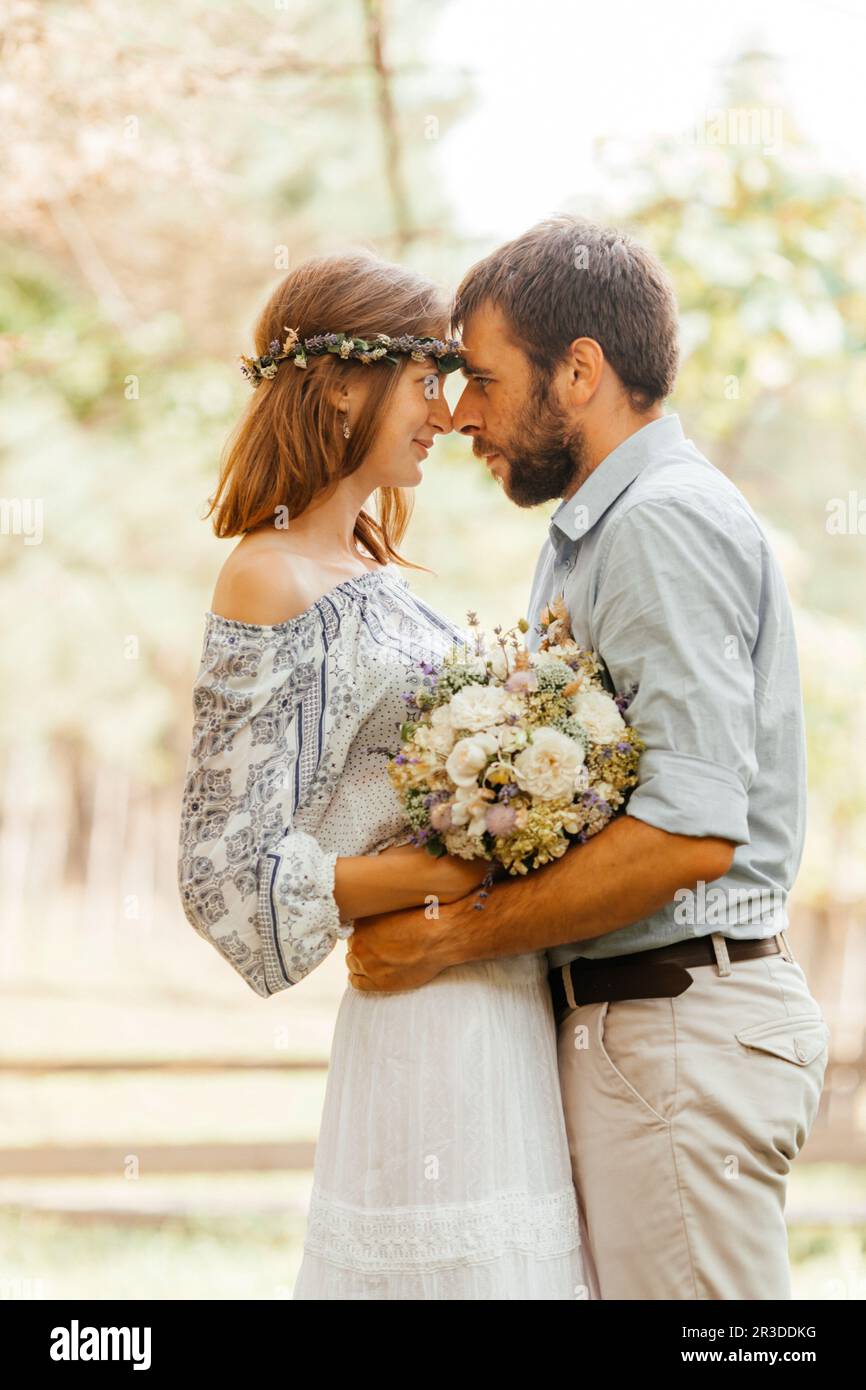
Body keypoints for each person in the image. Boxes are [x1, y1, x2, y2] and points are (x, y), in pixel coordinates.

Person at [347, 217, 831, 1300]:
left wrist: (448, 938)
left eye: (479, 376)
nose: (459, 410)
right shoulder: (594, 531)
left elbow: (689, 831)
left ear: (578, 371)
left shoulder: (658, 523)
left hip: (676, 1029)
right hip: (640, 1031)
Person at [176, 249, 587, 1299]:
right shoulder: (267, 576)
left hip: (497, 990)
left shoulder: (373, 572)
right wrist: (439, 877)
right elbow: (222, 872)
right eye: (426, 378)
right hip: (420, 1007)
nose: (447, 415)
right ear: (347, 380)